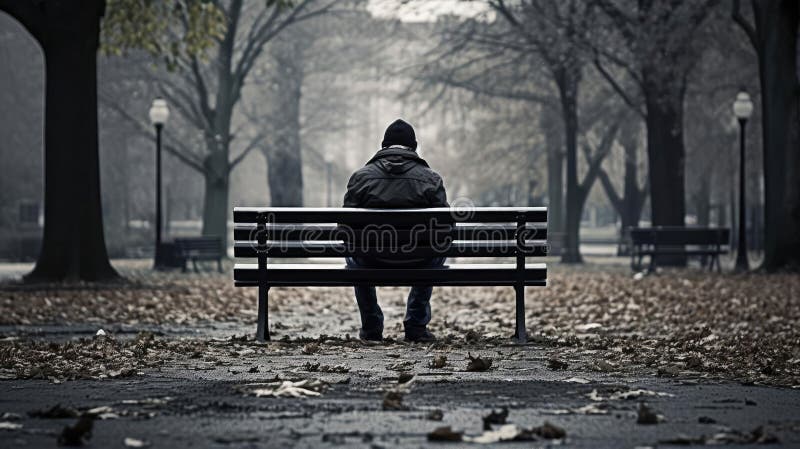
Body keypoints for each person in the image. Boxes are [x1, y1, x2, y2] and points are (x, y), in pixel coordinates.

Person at [343, 119, 448, 342]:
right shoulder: (431, 179)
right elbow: (445, 228)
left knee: (353, 253)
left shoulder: (361, 178)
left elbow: (345, 227)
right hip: (418, 259)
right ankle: (416, 325)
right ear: (414, 147)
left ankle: (371, 327)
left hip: (371, 259)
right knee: (435, 251)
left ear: (383, 146)